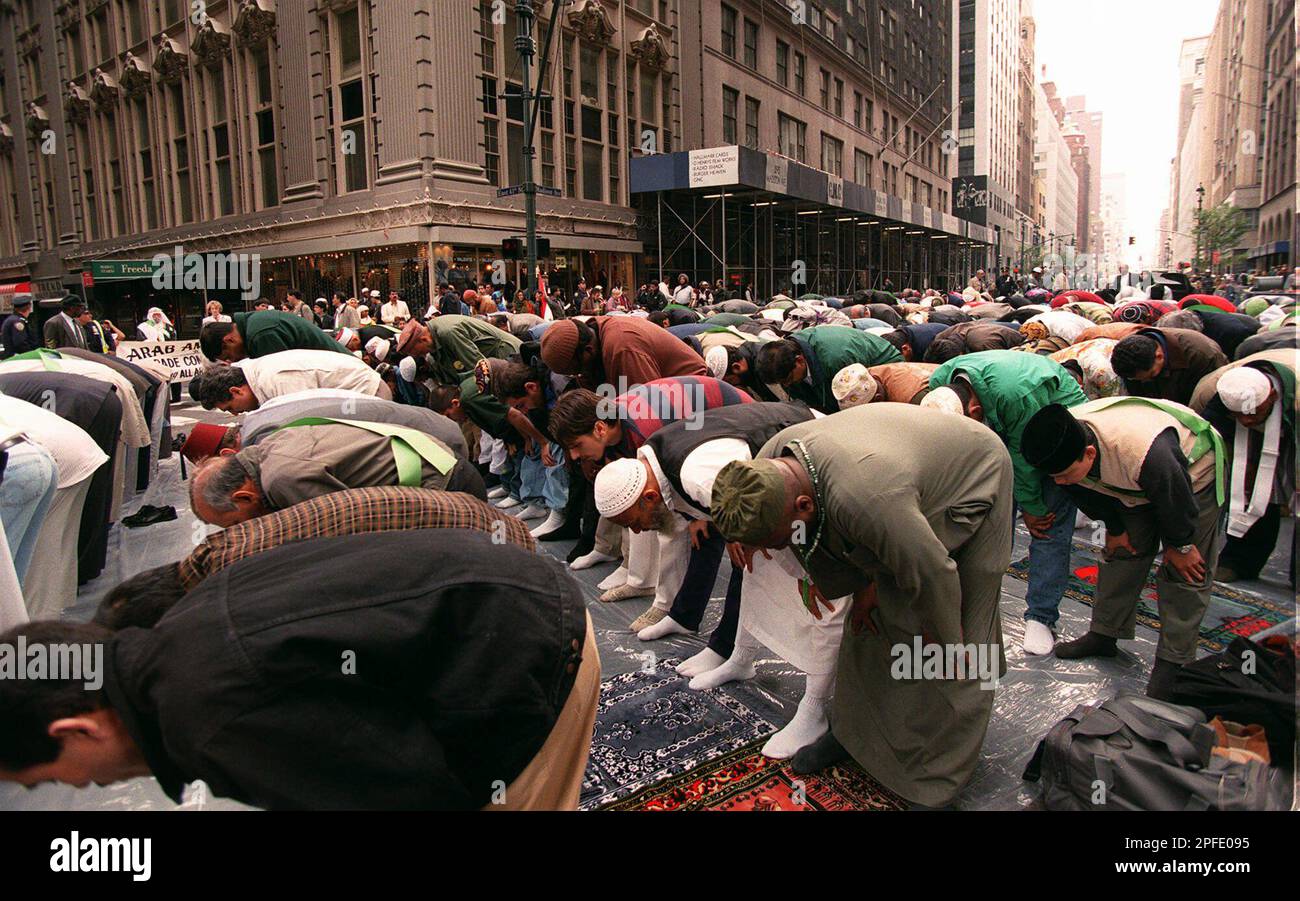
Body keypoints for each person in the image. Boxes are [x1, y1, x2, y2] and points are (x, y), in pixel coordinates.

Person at [0, 528, 597, 810]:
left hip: (529, 637)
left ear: (75, 731)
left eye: (42, 779)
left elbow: (413, 792)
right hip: (501, 598)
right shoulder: (177, 641)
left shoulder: (208, 715)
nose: (76, 787)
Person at [709, 403, 1012, 808]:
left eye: (778, 540)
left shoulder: (868, 499)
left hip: (974, 476)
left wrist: (940, 640)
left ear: (802, 508)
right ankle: (854, 736)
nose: (778, 549)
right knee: (867, 621)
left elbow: (934, 575)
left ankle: (935, 776)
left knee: (960, 642)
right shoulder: (769, 464)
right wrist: (852, 582)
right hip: (896, 479)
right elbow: (820, 534)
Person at [592, 400, 827, 761]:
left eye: (634, 521)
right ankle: (737, 655)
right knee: (750, 569)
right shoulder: (653, 458)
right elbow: (706, 496)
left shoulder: (699, 477)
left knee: (813, 589)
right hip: (769, 475)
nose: (638, 530)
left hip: (815, 462)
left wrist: (743, 536)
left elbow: (744, 492)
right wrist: (711, 518)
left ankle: (817, 704)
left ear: (650, 497)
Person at [1021, 398, 1226, 699]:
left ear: (1089, 453)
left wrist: (1180, 545)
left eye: (1063, 474)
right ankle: (1104, 633)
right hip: (1131, 482)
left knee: (1185, 571)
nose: (1059, 482)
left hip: (1191, 477)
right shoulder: (1064, 446)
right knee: (1120, 553)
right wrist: (1115, 529)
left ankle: (1174, 663)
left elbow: (1175, 498)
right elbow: (1084, 491)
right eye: (1054, 476)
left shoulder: (1147, 454)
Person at [923, 351, 1089, 655]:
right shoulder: (939, 382)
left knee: (1047, 525)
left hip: (1055, 426)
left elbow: (1024, 463)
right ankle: (971, 601)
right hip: (1008, 424)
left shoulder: (1014, 395)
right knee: (988, 519)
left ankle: (1041, 617)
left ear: (974, 409)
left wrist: (1033, 509)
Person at [188, 420, 483, 527]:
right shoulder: (269, 446)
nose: (242, 530)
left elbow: (345, 532)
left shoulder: (284, 478)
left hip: (445, 483)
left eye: (236, 523)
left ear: (243, 495)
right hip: (434, 456)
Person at [1189, 350, 1296, 587]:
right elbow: (1202, 439)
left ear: (1273, 396)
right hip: (1243, 437)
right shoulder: (1210, 391)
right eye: (1238, 414)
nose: (1246, 420)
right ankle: (1239, 561)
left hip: (1292, 420)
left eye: (1253, 413)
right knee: (1249, 487)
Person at [754, 326, 902, 413]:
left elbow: (847, 405)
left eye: (788, 380)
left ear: (799, 360)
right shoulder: (788, 363)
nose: (786, 386)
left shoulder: (835, 359)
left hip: (887, 369)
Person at [539, 316, 707, 392]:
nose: (579, 375)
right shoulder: (596, 336)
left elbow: (648, 410)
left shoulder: (622, 347)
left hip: (697, 394)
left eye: (577, 370)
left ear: (588, 351)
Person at [188, 349, 387, 412]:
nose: (234, 414)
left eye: (230, 408)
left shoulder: (277, 380)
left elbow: (306, 424)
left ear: (236, 391)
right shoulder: (256, 375)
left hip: (368, 392)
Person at [1110, 327, 1229, 406]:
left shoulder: (1201, 355)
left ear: (1159, 356)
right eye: (1138, 380)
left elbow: (1212, 400)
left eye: (1151, 375)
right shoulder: (1127, 353)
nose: (1145, 382)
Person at [395, 314, 521, 386]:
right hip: (497, 360)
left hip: (509, 354)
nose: (422, 355)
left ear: (423, 340)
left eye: (420, 352)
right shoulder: (434, 339)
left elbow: (479, 366)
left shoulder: (448, 332)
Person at [200, 308, 350, 362]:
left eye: (228, 356)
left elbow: (283, 380)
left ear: (229, 340)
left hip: (345, 376)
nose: (232, 361)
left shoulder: (261, 334)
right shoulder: (254, 324)